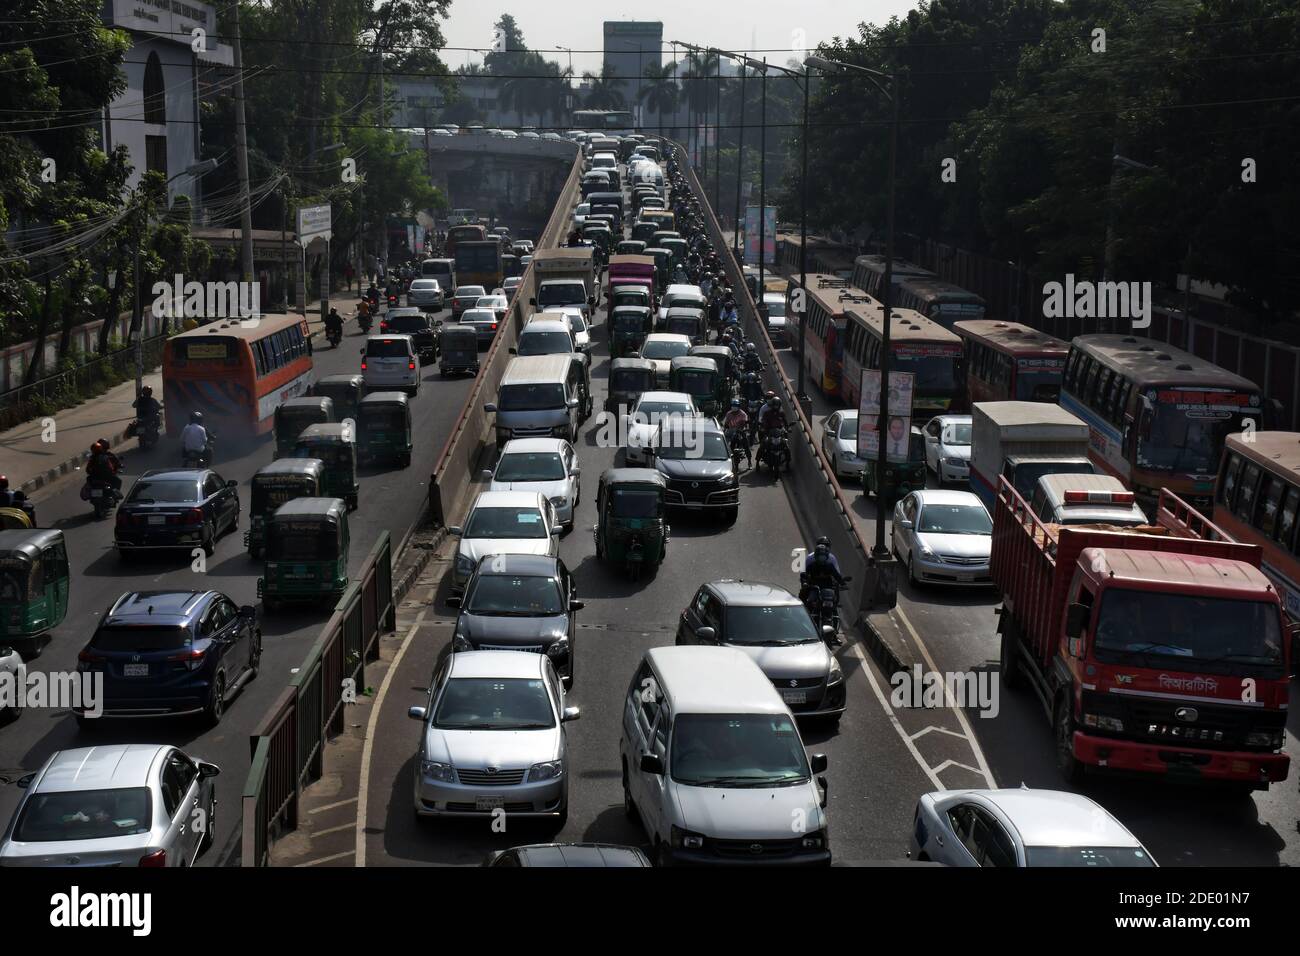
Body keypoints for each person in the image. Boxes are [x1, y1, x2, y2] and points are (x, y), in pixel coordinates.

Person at [801, 537, 847, 643]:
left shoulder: (830, 564)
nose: (822, 557)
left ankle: (834, 633)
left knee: (833, 608)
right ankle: (806, 627)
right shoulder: (811, 564)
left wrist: (843, 584)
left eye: (823, 555)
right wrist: (805, 582)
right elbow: (804, 574)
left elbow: (837, 576)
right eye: (820, 555)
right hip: (814, 589)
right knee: (808, 603)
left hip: (828, 590)